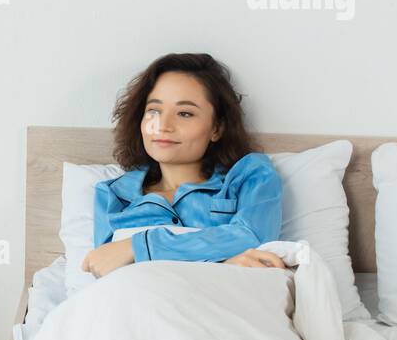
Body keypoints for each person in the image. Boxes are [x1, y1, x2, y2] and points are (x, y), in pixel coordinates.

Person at [80, 52, 284, 279]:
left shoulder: (250, 175)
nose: (163, 125)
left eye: (185, 113)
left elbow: (251, 236)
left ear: (216, 128)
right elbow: (104, 269)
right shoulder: (114, 194)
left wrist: (137, 247)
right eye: (154, 111)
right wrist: (225, 260)